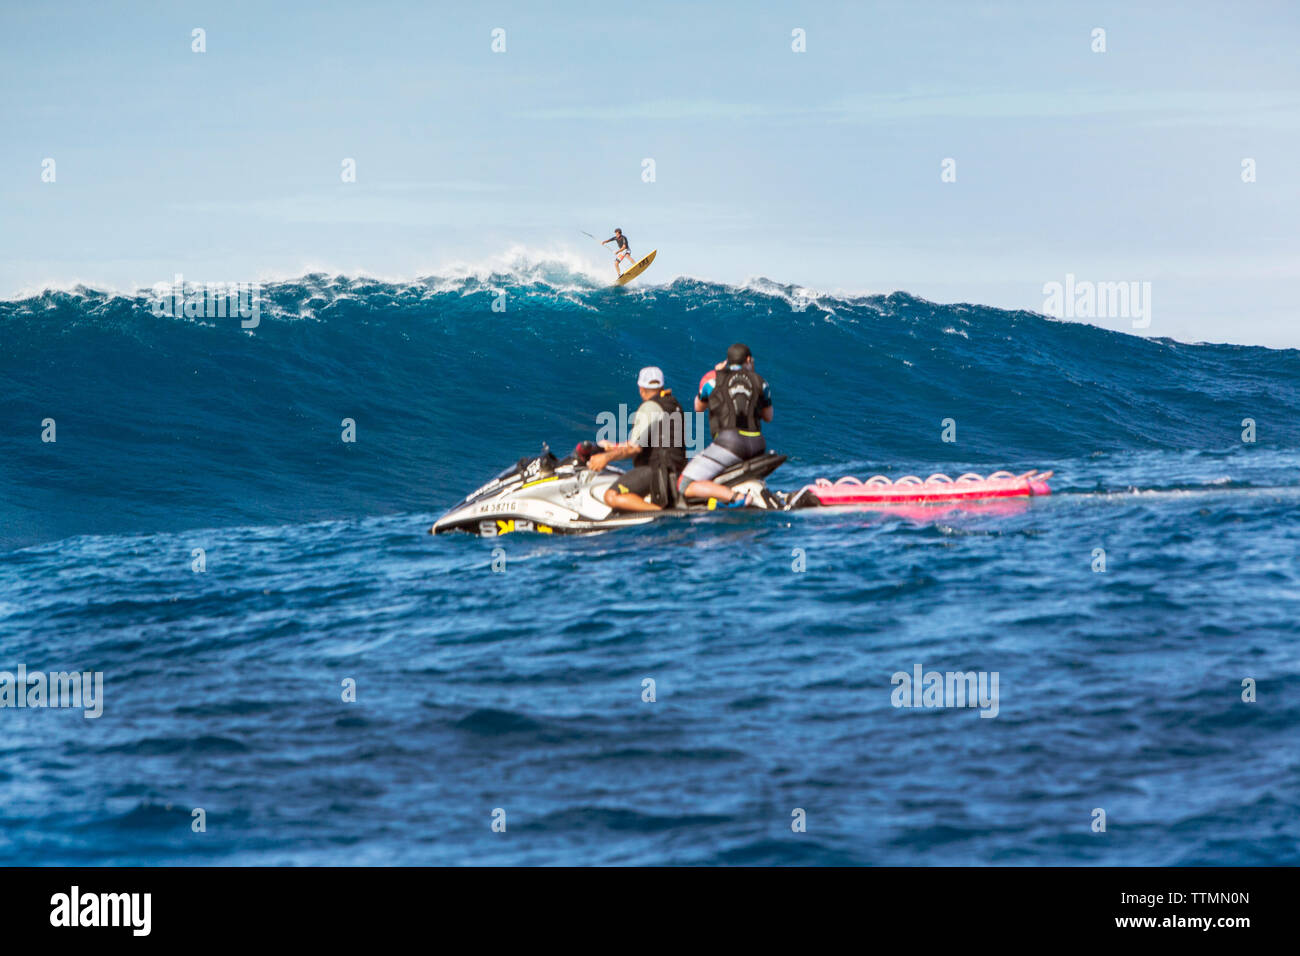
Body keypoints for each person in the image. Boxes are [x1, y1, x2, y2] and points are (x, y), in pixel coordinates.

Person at [679, 343, 773, 505]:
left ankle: (736, 498)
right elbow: (768, 416)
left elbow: (698, 408)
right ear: (748, 360)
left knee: (683, 484)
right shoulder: (761, 382)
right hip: (758, 444)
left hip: (729, 445)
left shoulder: (712, 380)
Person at [586, 366, 687, 512]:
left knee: (611, 496)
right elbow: (655, 442)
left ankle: (659, 512)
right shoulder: (673, 405)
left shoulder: (650, 407)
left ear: (641, 389)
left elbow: (635, 448)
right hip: (676, 468)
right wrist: (612, 446)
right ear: (662, 386)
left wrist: (606, 458)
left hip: (657, 470)